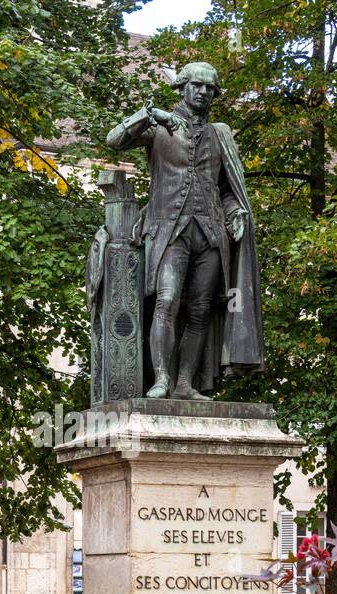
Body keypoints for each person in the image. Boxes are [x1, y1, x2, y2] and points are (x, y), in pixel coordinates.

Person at [105, 61, 264, 400]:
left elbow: (226, 189)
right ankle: (161, 378)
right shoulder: (158, 126)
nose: (204, 92)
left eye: (210, 88)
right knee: (167, 300)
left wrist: (236, 213)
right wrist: (147, 115)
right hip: (167, 230)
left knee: (200, 310)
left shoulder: (219, 133)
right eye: (198, 85)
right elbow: (113, 140)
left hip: (210, 234)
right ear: (182, 87)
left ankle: (184, 384)